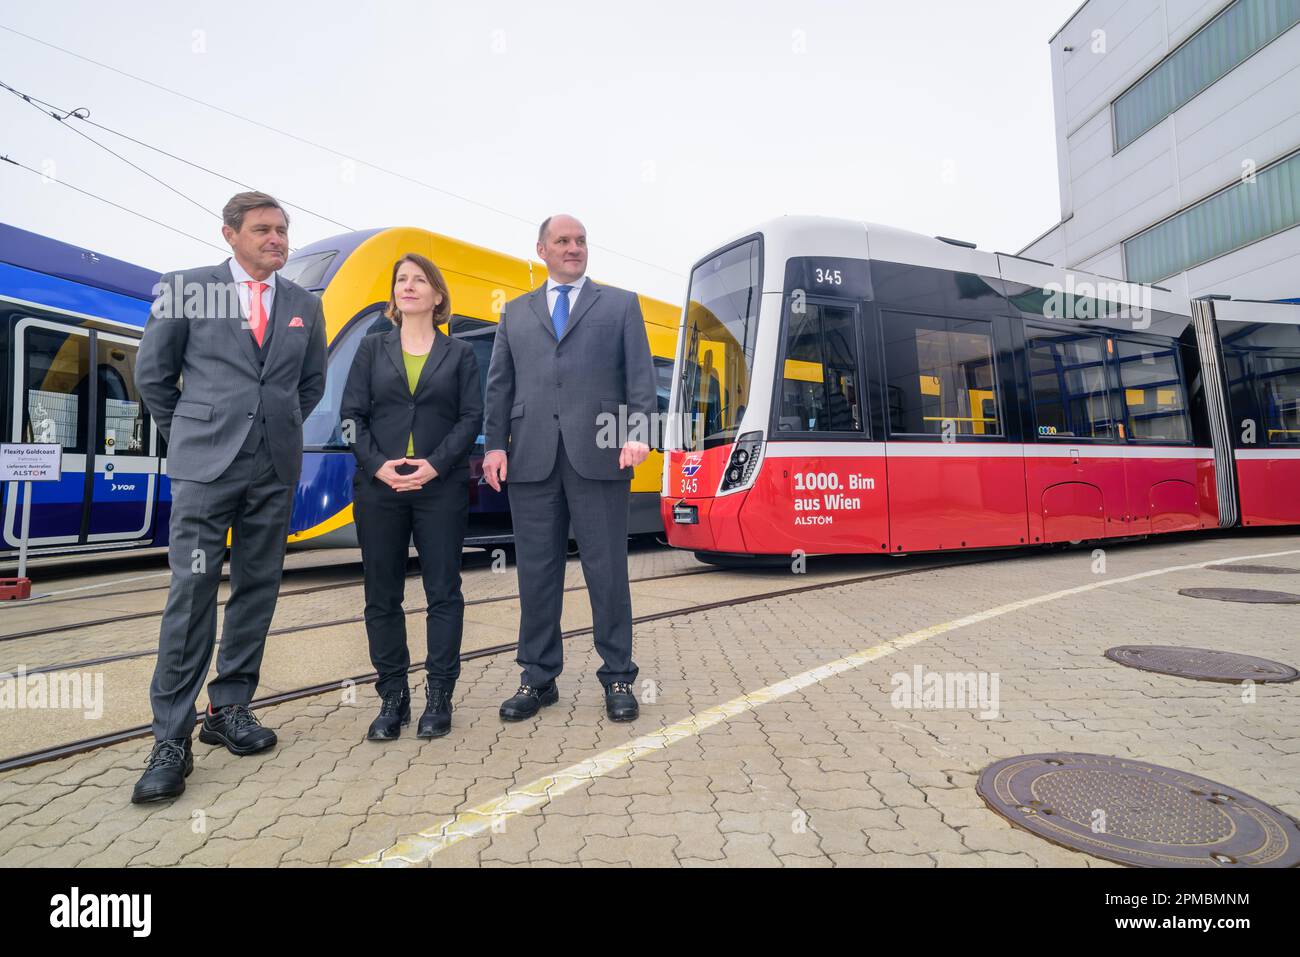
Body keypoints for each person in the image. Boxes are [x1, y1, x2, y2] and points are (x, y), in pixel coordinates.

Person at [132, 191, 327, 803]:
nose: (277, 239)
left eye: (283, 230)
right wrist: (196, 431)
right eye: (264, 229)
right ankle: (171, 737)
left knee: (257, 587)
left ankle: (230, 710)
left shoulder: (303, 304)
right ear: (230, 234)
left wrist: (276, 429)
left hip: (273, 467)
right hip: (205, 468)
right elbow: (153, 377)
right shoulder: (187, 287)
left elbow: (310, 383)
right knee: (191, 592)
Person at [483, 214, 656, 722]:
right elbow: (499, 386)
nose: (574, 247)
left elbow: (639, 377)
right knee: (537, 575)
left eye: (580, 240)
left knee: (607, 573)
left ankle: (619, 676)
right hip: (532, 458)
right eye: (563, 241)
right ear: (542, 249)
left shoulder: (621, 305)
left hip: (600, 453)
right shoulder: (515, 313)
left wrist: (639, 432)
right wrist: (495, 445)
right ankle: (537, 679)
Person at [340, 253, 482, 740]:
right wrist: (379, 464)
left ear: (437, 295)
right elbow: (350, 417)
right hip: (379, 488)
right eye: (401, 278)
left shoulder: (460, 354)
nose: (409, 285)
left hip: (439, 488)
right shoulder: (371, 349)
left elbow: (470, 419)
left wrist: (434, 464)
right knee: (382, 595)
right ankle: (393, 698)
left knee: (443, 592)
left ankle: (439, 696)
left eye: (419, 279)